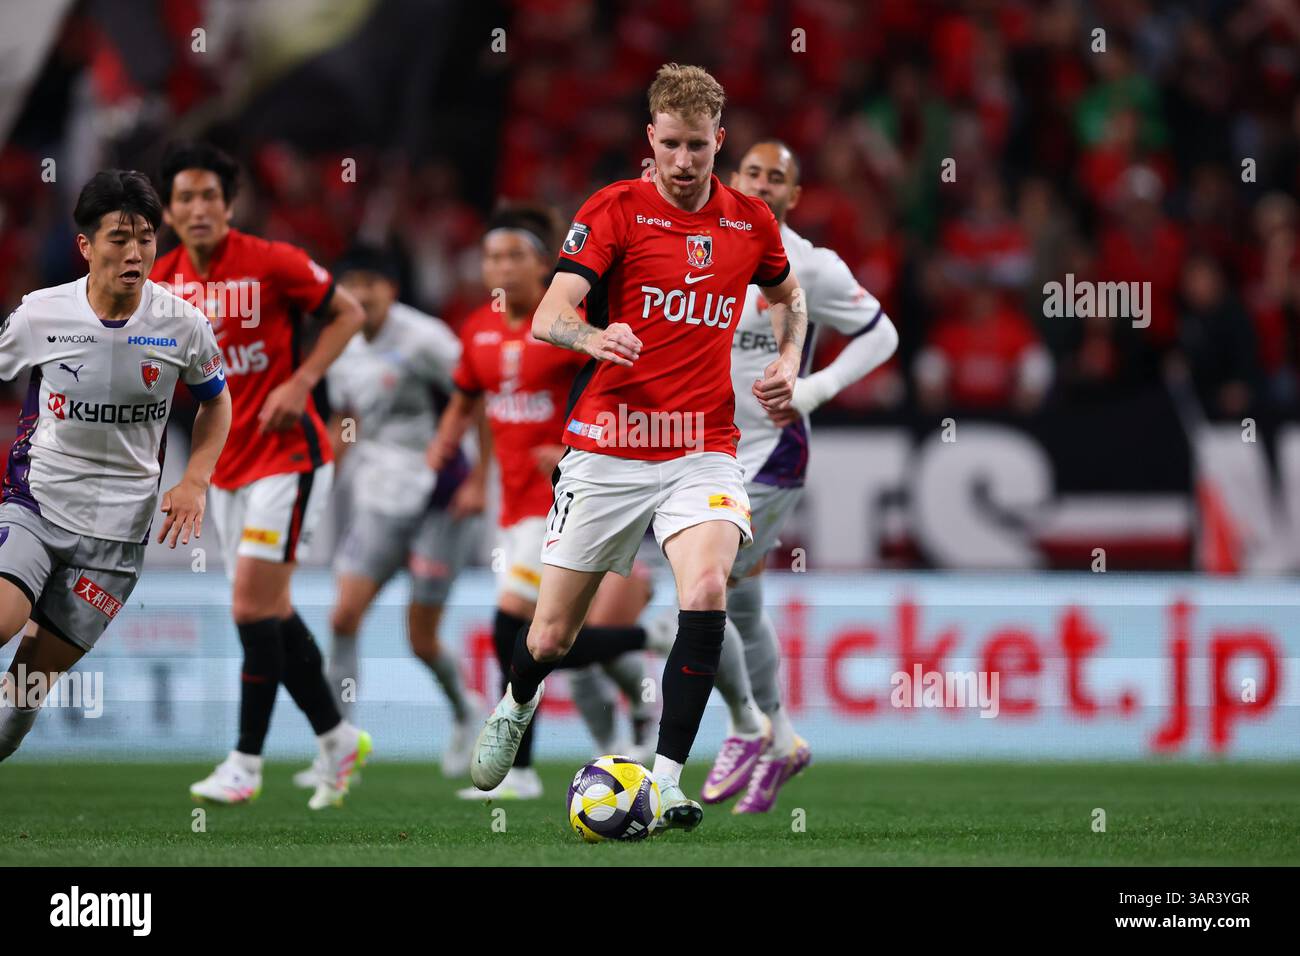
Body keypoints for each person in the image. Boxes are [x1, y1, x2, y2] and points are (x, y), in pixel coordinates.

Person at [467, 63, 807, 832]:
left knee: (709, 587)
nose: (685, 163)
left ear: (720, 142)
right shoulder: (615, 210)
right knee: (551, 634)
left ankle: (662, 778)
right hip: (609, 449)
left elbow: (789, 297)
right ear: (649, 141)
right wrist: (596, 333)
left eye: (700, 147)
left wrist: (787, 361)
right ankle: (518, 700)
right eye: (672, 146)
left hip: (701, 448)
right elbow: (548, 317)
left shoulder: (751, 221)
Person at [150, 142, 371, 810]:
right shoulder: (159, 283)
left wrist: (302, 382)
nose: (197, 208)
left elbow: (348, 313)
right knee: (269, 610)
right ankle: (337, 738)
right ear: (167, 209)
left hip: (290, 455)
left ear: (230, 202)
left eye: (209, 196)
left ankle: (244, 763)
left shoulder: (271, 261)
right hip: (225, 465)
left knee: (248, 604)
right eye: (184, 197)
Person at [430, 205, 663, 800]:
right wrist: (458, 457)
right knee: (553, 634)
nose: (501, 266)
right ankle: (648, 644)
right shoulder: (477, 330)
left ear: (543, 264)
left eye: (515, 255)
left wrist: (566, 442)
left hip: (563, 496)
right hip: (510, 505)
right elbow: (473, 400)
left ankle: (522, 769)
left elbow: (619, 389)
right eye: (492, 256)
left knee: (512, 620)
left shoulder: (574, 324)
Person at [0, 170, 231, 761]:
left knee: (20, 701)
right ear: (86, 245)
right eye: (119, 238)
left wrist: (195, 479)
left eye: (147, 238)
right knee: (3, 618)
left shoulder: (182, 324)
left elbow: (216, 402)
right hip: (37, 505)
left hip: (117, 535)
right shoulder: (38, 316)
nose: (135, 253)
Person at [697, 140, 900, 812]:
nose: (761, 184)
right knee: (744, 609)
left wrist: (815, 388)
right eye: (751, 172)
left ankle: (745, 727)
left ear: (793, 196)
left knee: (697, 591)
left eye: (776, 178)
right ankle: (783, 738)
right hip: (699, 451)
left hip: (770, 453)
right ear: (732, 179)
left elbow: (882, 335)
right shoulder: (699, 248)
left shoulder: (812, 266)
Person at [287, 244, 484, 788]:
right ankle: (339, 745)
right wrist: (319, 475)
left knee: (421, 640)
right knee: (342, 617)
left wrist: (480, 477)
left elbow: (477, 393)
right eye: (354, 283)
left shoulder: (426, 340)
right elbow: (346, 418)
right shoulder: (342, 342)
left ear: (392, 290)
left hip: (438, 500)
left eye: (373, 281)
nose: (363, 293)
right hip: (378, 497)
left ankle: (466, 709)